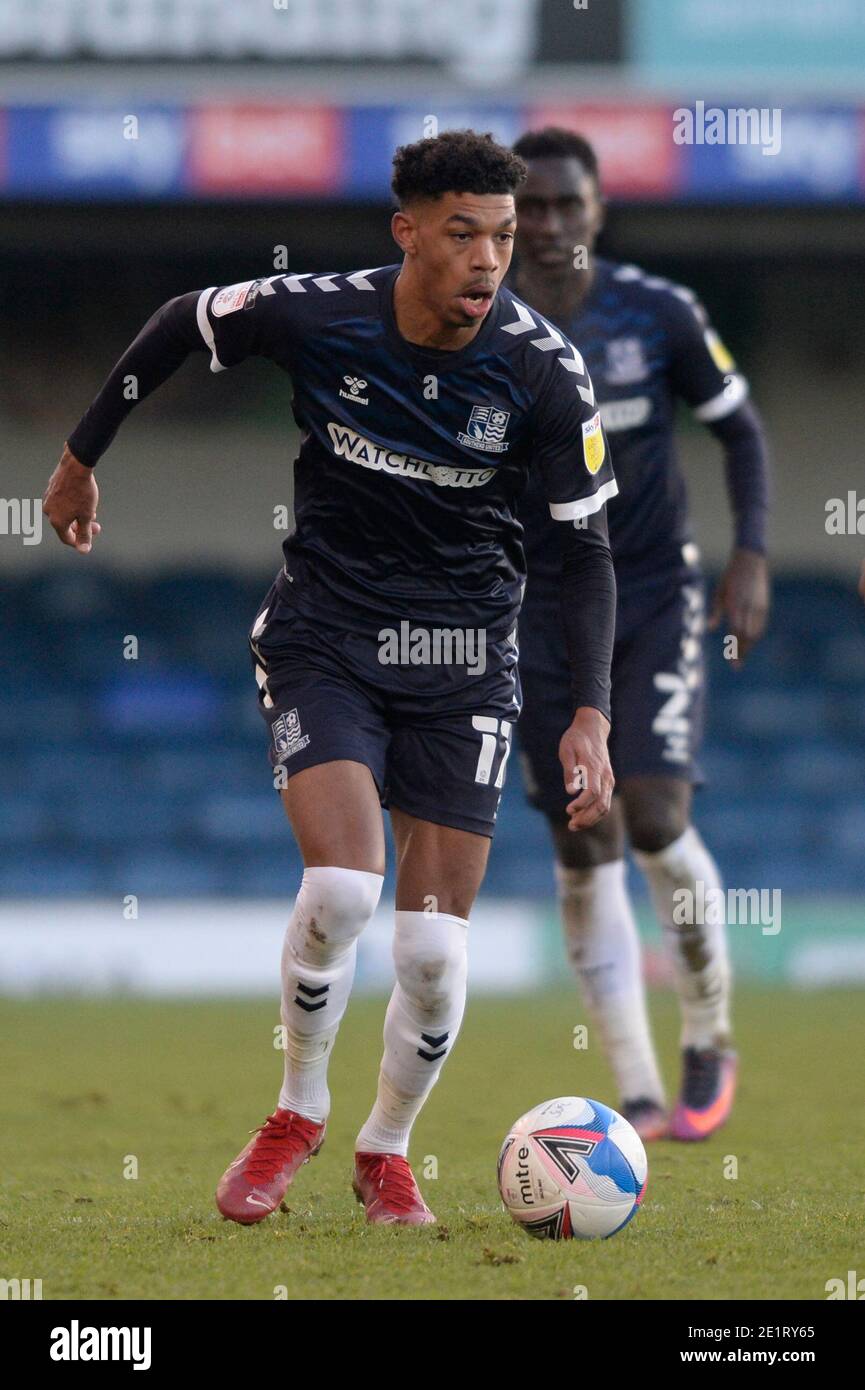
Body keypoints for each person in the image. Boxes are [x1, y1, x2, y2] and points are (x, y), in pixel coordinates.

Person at [42, 130, 618, 1225]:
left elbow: (582, 552)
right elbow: (181, 324)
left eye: (502, 236)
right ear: (407, 234)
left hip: (464, 661)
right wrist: (78, 460)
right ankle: (297, 1111)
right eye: (463, 234)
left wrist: (588, 711)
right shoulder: (319, 312)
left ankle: (384, 1149)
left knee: (435, 955)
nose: (488, 259)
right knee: (346, 889)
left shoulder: (544, 372)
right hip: (329, 634)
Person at [511, 126, 771, 1142]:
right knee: (586, 835)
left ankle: (708, 1031)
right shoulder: (486, 324)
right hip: (535, 600)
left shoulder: (657, 312)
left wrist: (750, 554)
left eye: (564, 203)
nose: (545, 222)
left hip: (654, 589)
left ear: (596, 210)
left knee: (656, 816)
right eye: (528, 205)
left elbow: (739, 428)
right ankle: (634, 1090)